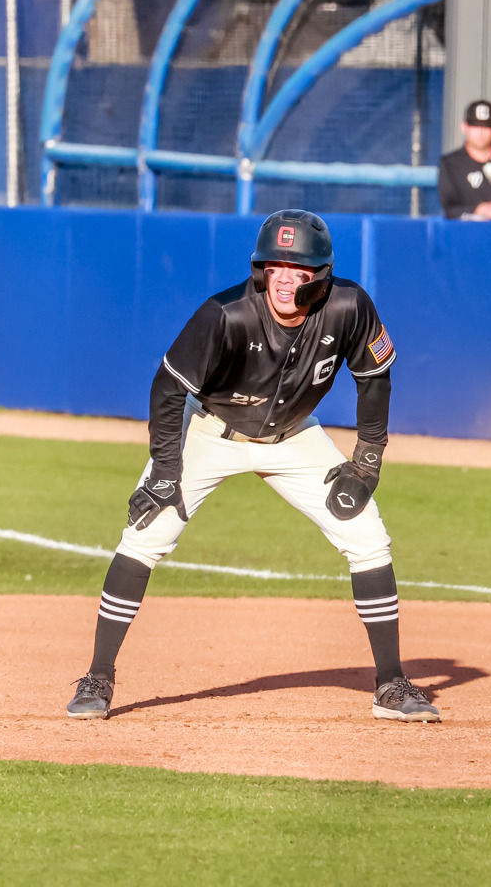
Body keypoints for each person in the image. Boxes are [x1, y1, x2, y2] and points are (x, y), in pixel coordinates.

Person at [67, 209, 440, 724]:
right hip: (210, 431)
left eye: (299, 268)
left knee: (368, 537)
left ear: (321, 275)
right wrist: (165, 466)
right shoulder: (226, 314)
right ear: (261, 269)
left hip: (294, 437)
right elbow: (169, 388)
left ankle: (390, 685)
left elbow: (375, 377)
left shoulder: (349, 307)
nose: (285, 278)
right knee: (144, 536)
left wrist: (368, 460)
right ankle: (99, 677)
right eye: (275, 266)